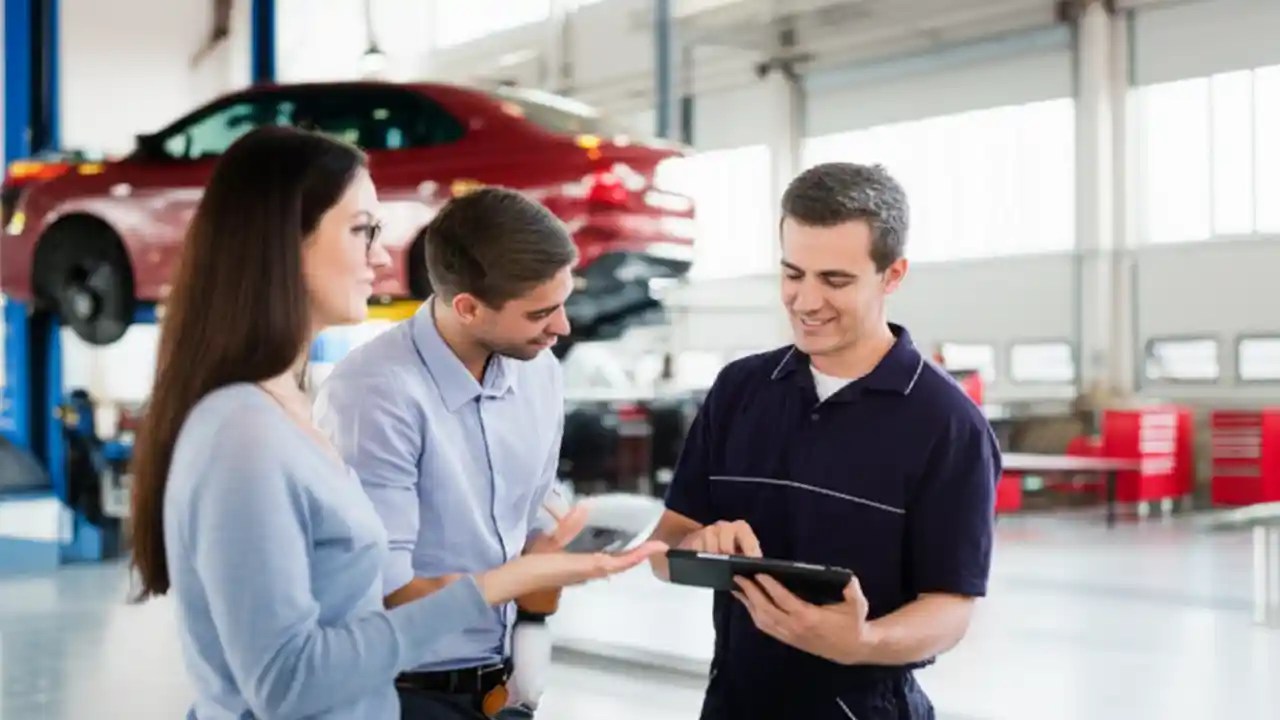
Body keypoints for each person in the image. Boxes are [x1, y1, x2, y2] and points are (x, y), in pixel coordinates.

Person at [128, 126, 665, 720]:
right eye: (362, 230)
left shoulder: (283, 408)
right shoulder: (244, 432)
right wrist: (502, 583)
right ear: (286, 244)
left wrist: (531, 575)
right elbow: (287, 683)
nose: (382, 256)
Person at [649, 162, 1001, 720]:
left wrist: (862, 643)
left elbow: (951, 607)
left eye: (834, 280)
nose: (806, 301)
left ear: (893, 275)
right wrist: (702, 546)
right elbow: (664, 555)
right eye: (793, 274)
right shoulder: (740, 390)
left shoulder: (948, 424)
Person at [313, 187, 580, 719]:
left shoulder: (540, 371)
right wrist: (521, 583)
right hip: (402, 690)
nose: (562, 327)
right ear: (468, 307)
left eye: (563, 302)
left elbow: (531, 516)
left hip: (504, 679)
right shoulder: (374, 392)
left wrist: (558, 550)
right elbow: (384, 587)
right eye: (540, 313)